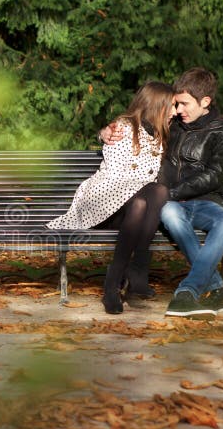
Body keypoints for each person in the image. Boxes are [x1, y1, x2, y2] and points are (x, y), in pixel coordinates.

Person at [104, 68, 223, 319]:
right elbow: (136, 121)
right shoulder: (172, 124)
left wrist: (172, 192)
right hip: (169, 204)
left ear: (205, 102)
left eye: (184, 104)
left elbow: (214, 175)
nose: (178, 110)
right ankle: (204, 291)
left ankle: (196, 290)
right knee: (172, 216)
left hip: (202, 202)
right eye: (176, 103)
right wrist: (105, 131)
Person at [47, 81, 175, 314]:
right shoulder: (122, 129)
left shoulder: (159, 133)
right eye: (171, 106)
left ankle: (129, 274)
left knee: (156, 194)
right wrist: (103, 133)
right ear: (157, 106)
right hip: (103, 200)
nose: (175, 112)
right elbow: (116, 178)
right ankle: (120, 280)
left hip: (133, 205)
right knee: (141, 202)